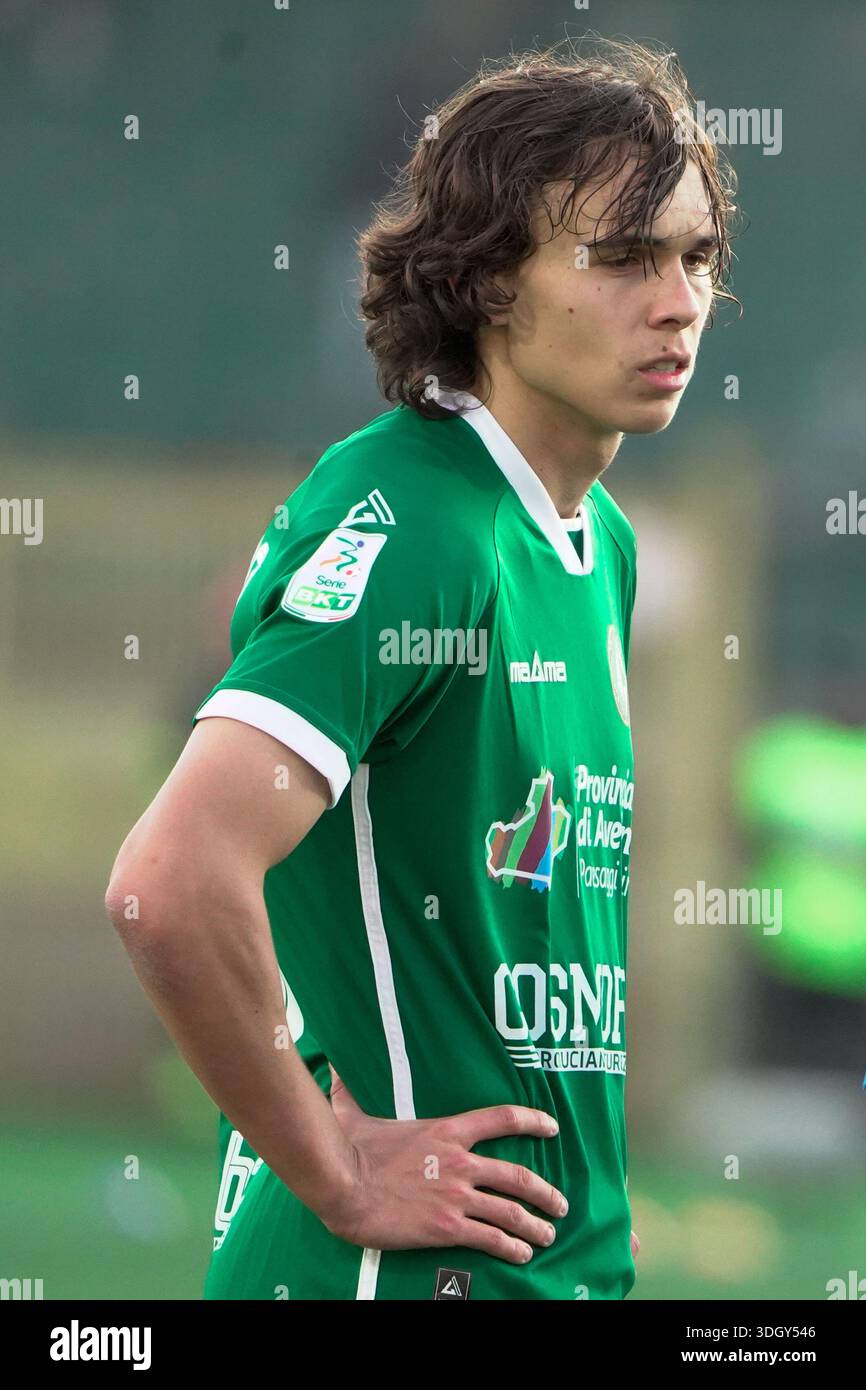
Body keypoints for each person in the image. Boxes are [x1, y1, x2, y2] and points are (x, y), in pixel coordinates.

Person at [106, 39, 738, 1300]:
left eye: (694, 256)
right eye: (618, 257)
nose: (673, 301)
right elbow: (168, 882)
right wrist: (337, 1172)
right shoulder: (412, 521)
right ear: (488, 282)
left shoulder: (591, 543)